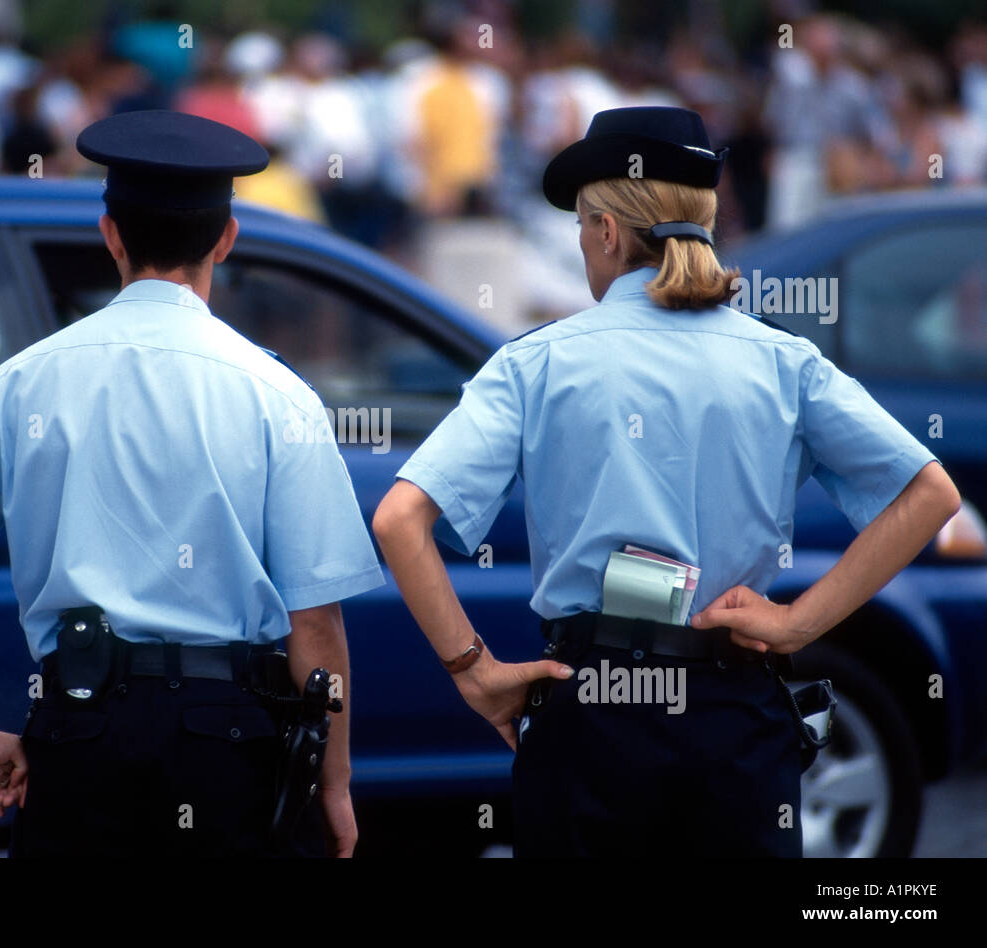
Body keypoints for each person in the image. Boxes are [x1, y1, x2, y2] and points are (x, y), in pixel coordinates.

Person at [372, 106, 961, 857]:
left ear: (610, 232)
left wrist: (473, 669)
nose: (583, 246)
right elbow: (931, 494)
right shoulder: (783, 360)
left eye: (583, 227)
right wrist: (798, 623)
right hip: (736, 714)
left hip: (592, 713)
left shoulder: (537, 361)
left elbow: (398, 520)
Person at [0, 109, 383, 858]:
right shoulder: (278, 394)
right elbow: (316, 624)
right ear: (227, 239)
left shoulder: (19, 384)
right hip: (232, 741)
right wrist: (331, 783)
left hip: (77, 729)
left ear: (109, 234)